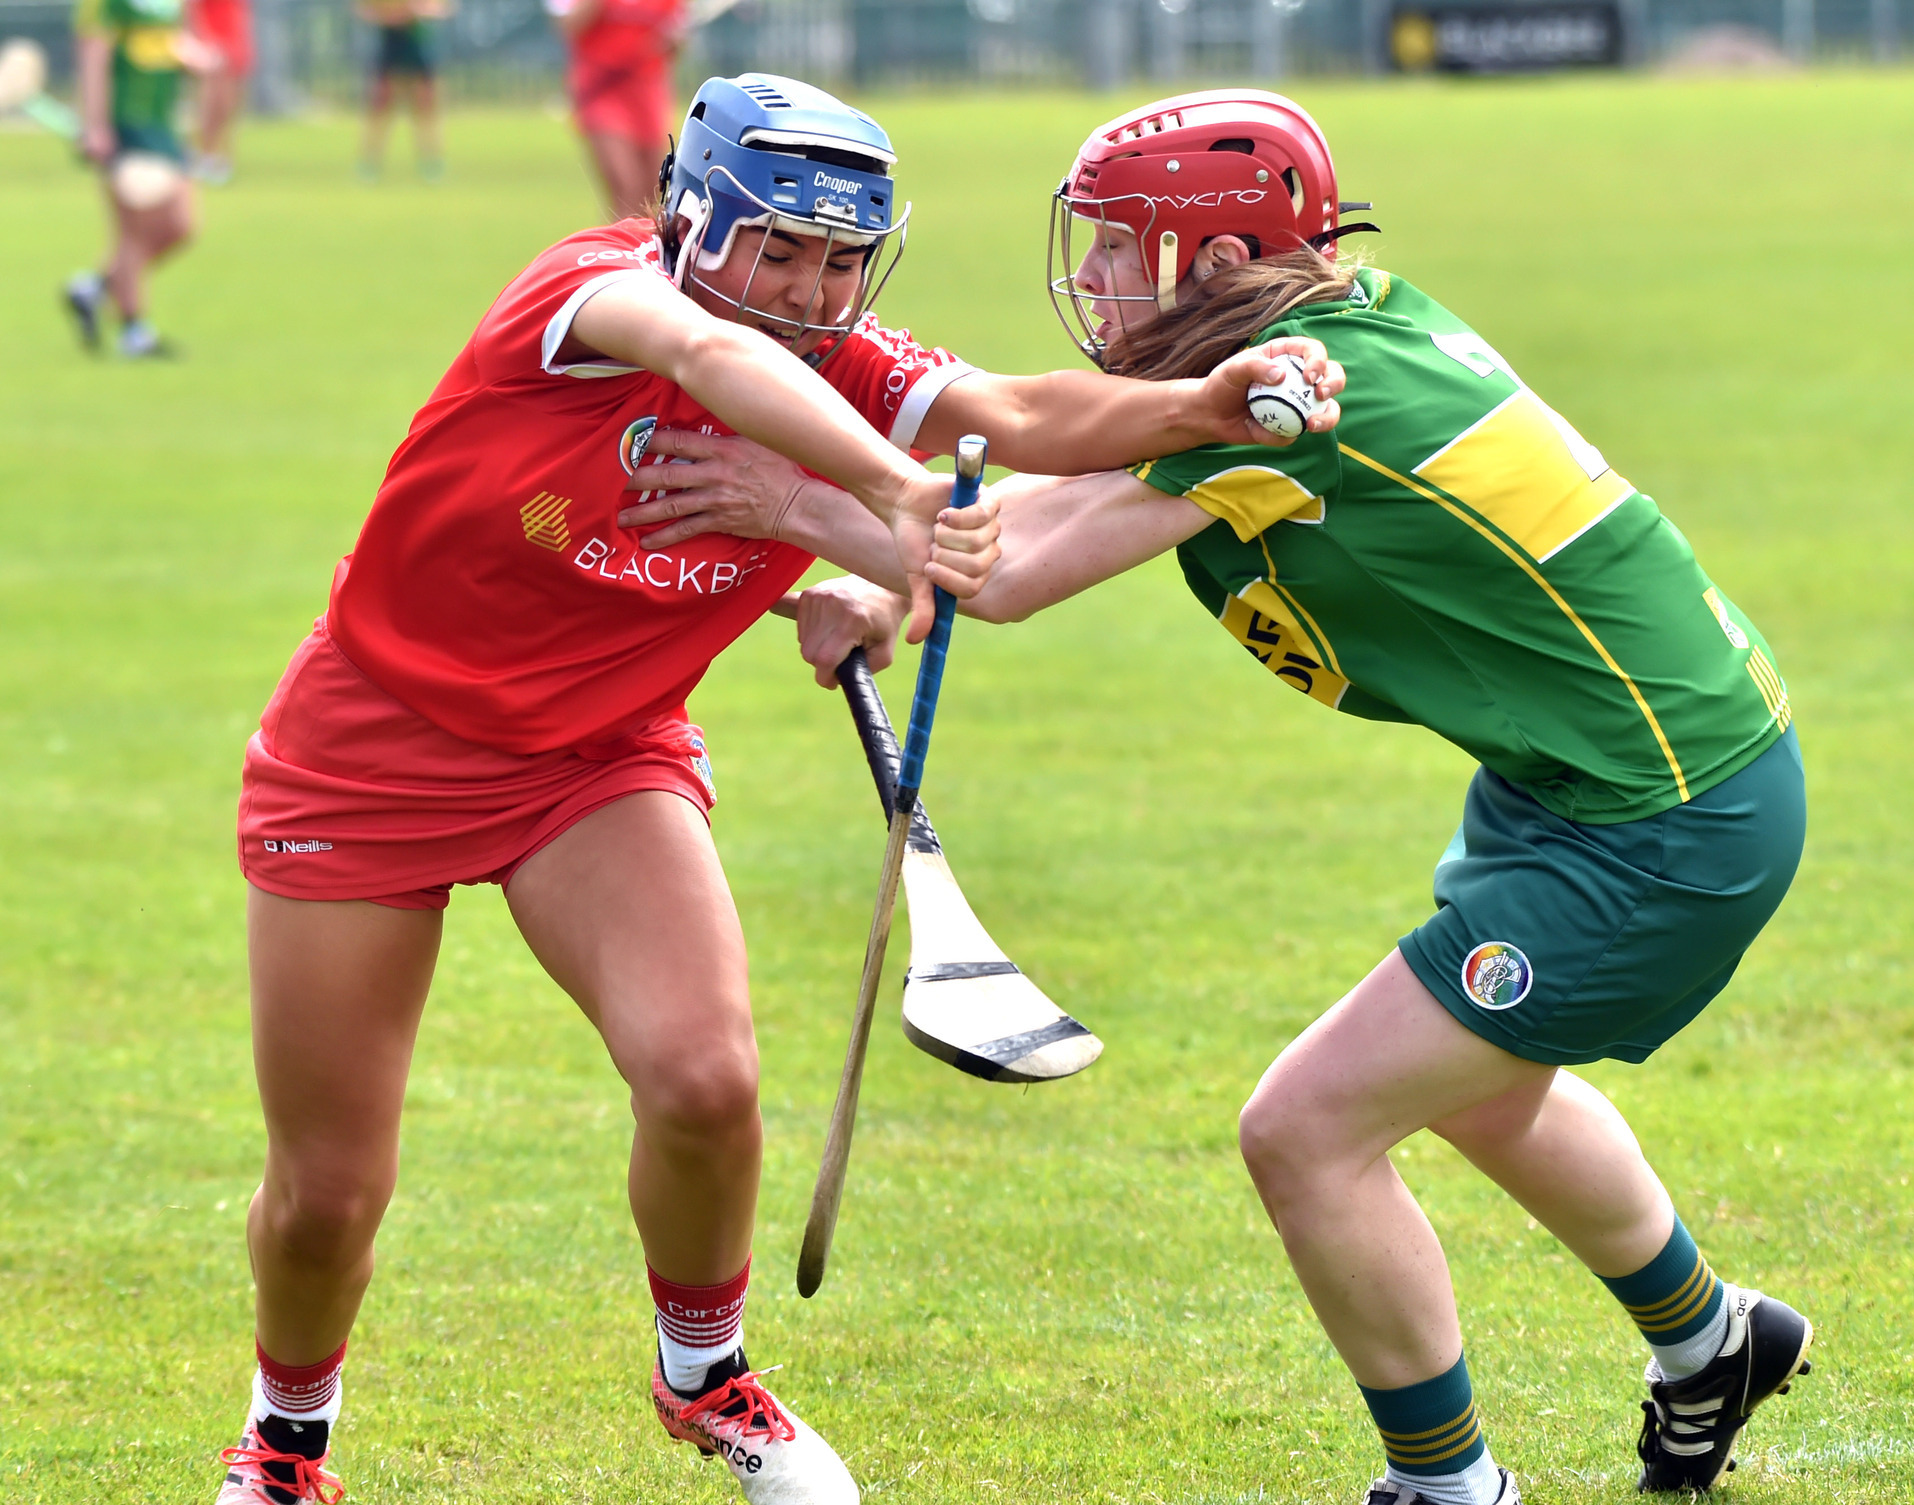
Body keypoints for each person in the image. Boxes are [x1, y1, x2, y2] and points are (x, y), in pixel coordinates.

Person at [631, 87, 1815, 1505]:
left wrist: (787, 504)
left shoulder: (1289, 403)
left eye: (1119, 247)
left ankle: (1449, 1487)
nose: (1092, 277)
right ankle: (1714, 1343)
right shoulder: (1306, 343)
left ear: (1208, 263)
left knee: (1307, 1128)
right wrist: (887, 583)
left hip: (1663, 821)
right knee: (1484, 1088)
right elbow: (1001, 543)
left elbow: (1003, 570)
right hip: (1600, 778)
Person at [213, 73, 1333, 1505]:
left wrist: (1197, 402)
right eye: (776, 250)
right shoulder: (593, 294)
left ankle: (706, 1377)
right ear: (690, 220)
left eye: (842, 259)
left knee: (706, 1076)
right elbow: (708, 355)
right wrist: (893, 497)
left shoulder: (851, 358)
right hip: (371, 752)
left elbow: (1019, 407)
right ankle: (288, 1438)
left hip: (596, 759)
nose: (809, 292)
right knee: (329, 1193)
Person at [63, 0, 217, 357]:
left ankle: (95, 288)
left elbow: (176, 43)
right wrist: (96, 126)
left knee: (181, 225)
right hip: (125, 122)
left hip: (161, 123)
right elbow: (93, 59)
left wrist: (196, 60)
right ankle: (133, 332)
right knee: (134, 231)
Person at [545, 0, 683, 218]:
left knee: (656, 190)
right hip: (602, 91)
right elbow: (568, 24)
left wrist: (671, 41)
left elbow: (677, 37)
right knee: (627, 186)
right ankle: (617, 250)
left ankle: (643, 249)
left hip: (648, 92)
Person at [355, 0, 447, 180]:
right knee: (379, 107)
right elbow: (363, 10)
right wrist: (389, 17)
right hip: (390, 48)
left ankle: (431, 162)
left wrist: (417, 11)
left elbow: (441, 9)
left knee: (426, 108)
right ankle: (370, 163)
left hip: (419, 48)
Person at [187, 0, 252, 182]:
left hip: (236, 36)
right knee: (213, 98)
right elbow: (191, 8)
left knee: (230, 103)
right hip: (213, 36)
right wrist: (200, 38)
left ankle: (223, 157)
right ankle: (204, 153)